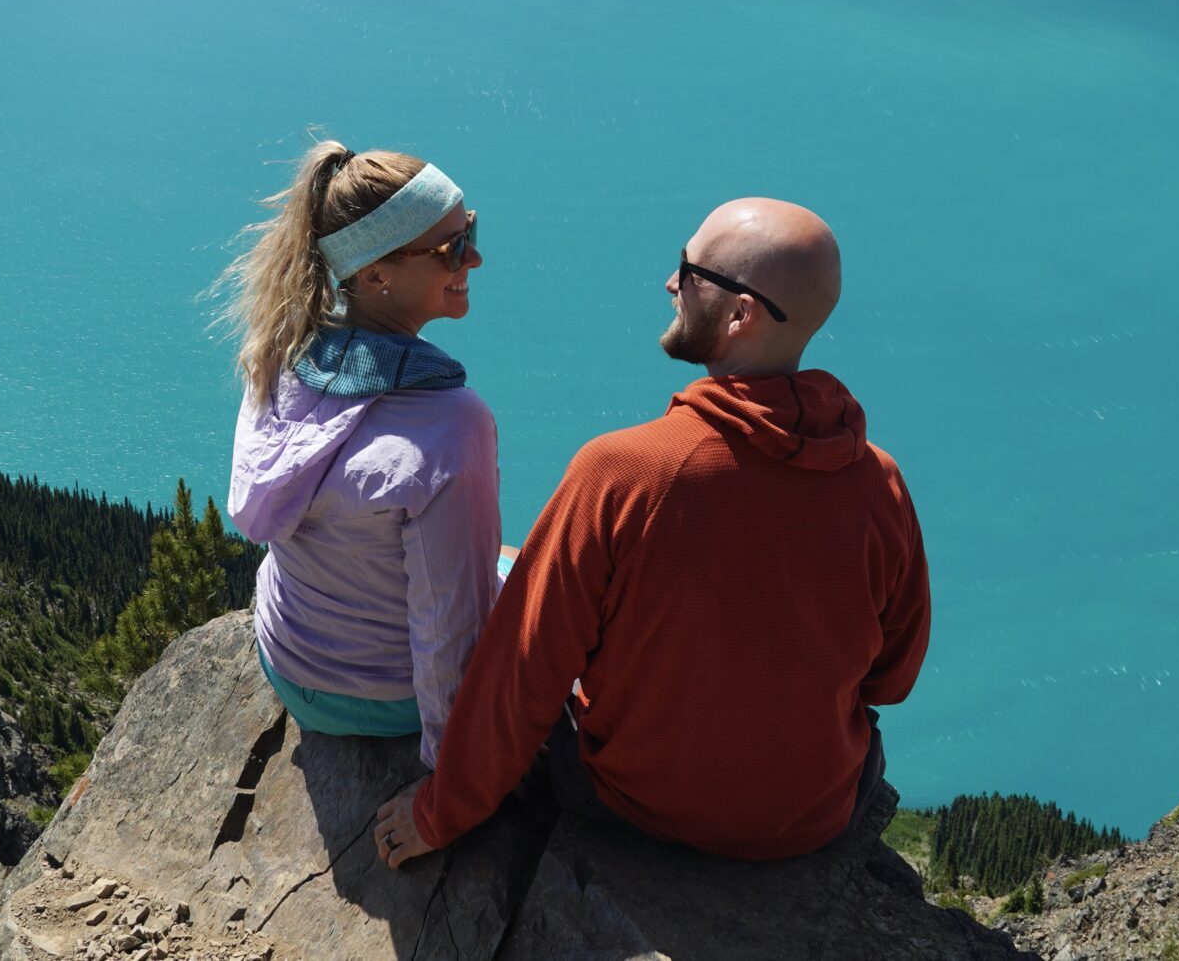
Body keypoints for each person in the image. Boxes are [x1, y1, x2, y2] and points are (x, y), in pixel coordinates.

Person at [371, 197, 929, 867]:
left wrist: (440, 812)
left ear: (740, 313)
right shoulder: (879, 483)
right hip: (812, 818)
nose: (672, 282)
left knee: (519, 579)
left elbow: (521, 675)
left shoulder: (622, 474)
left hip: (638, 804)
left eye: (690, 271)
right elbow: (892, 678)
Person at [224, 140, 498, 767]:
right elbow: (450, 626)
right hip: (381, 699)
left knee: (499, 555)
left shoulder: (280, 354)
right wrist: (450, 775)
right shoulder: (452, 425)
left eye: (471, 229)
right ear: (374, 274)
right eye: (452, 247)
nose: (475, 257)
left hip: (287, 663)